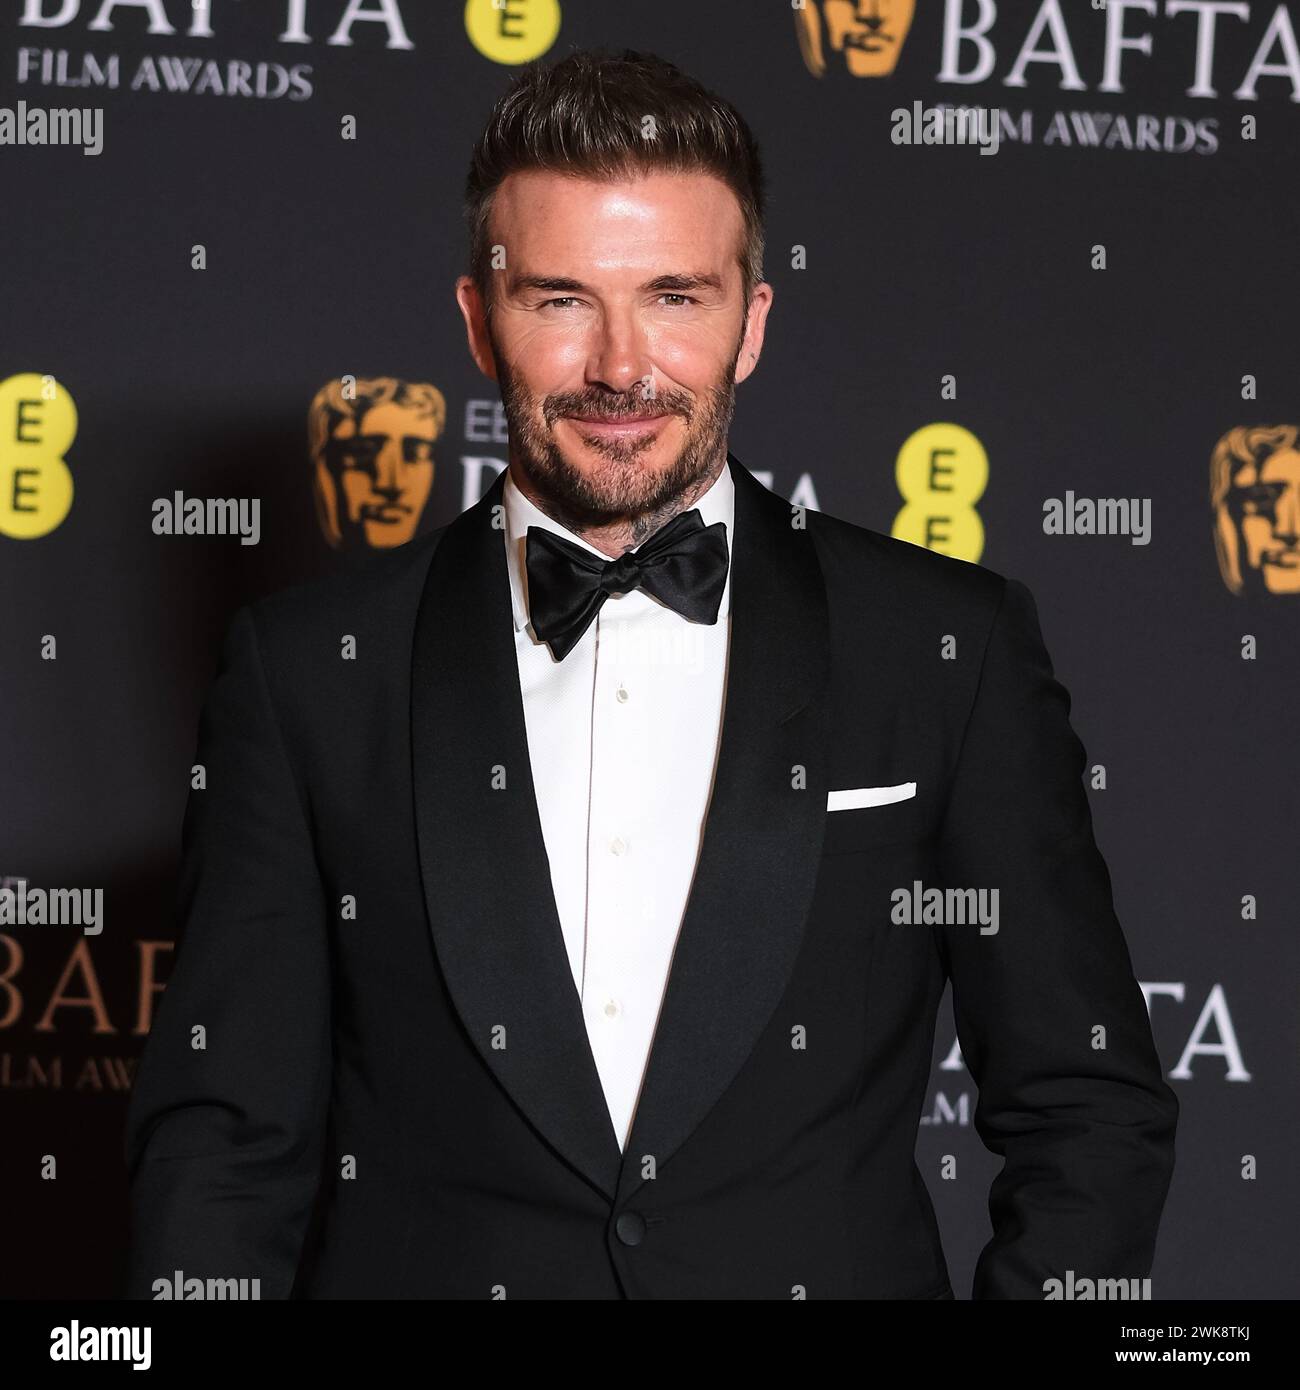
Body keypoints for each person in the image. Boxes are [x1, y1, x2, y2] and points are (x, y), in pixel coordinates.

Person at [124, 48, 1177, 1300]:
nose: (622, 366)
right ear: (478, 321)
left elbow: (1087, 1108)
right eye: (561, 299)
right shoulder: (308, 675)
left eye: (675, 296)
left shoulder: (944, 648)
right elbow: (223, 1152)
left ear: (753, 322)